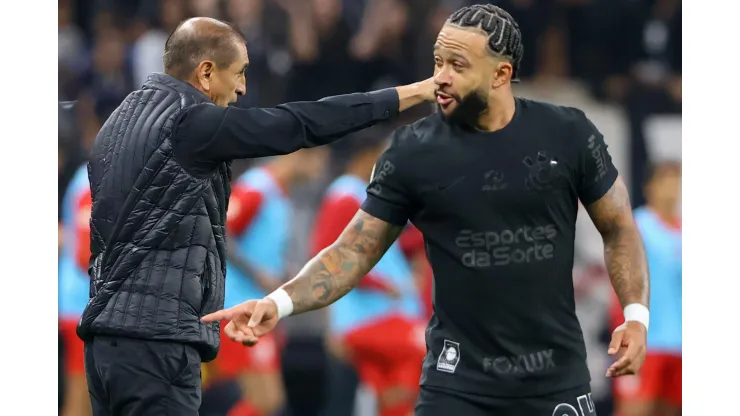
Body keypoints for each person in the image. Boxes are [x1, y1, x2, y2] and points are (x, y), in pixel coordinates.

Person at [204, 4, 652, 416]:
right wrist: (278, 302)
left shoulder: (567, 133)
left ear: (501, 74)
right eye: (437, 62)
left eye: (458, 65)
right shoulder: (413, 151)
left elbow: (618, 227)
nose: (441, 76)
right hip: (455, 385)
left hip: (554, 381)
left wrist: (635, 315)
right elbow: (352, 253)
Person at [77, 16, 435, 416]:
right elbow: (297, 124)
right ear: (207, 71)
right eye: (240, 73)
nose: (244, 87)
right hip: (156, 340)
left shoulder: (118, 123)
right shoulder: (192, 122)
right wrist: (406, 95)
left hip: (102, 339)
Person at [207, 147, 329, 416]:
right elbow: (218, 233)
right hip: (237, 306)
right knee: (266, 400)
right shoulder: (257, 188)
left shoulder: (281, 194)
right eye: (319, 159)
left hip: (257, 309)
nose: (322, 169)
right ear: (299, 155)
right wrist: (258, 273)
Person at [313, 130, 426, 416]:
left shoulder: (367, 195)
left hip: (384, 315)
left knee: (394, 391)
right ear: (368, 157)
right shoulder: (345, 196)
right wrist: (380, 286)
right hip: (367, 319)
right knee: (431, 347)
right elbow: (327, 255)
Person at [611, 162, 681, 416]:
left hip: (679, 346)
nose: (672, 188)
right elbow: (621, 281)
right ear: (650, 186)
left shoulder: (684, 232)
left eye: (676, 181)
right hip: (645, 344)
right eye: (665, 181)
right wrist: (624, 335)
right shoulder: (637, 226)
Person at [59, 164, 93, 416]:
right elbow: (85, 255)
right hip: (82, 305)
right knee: (81, 397)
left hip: (85, 304)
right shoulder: (96, 173)